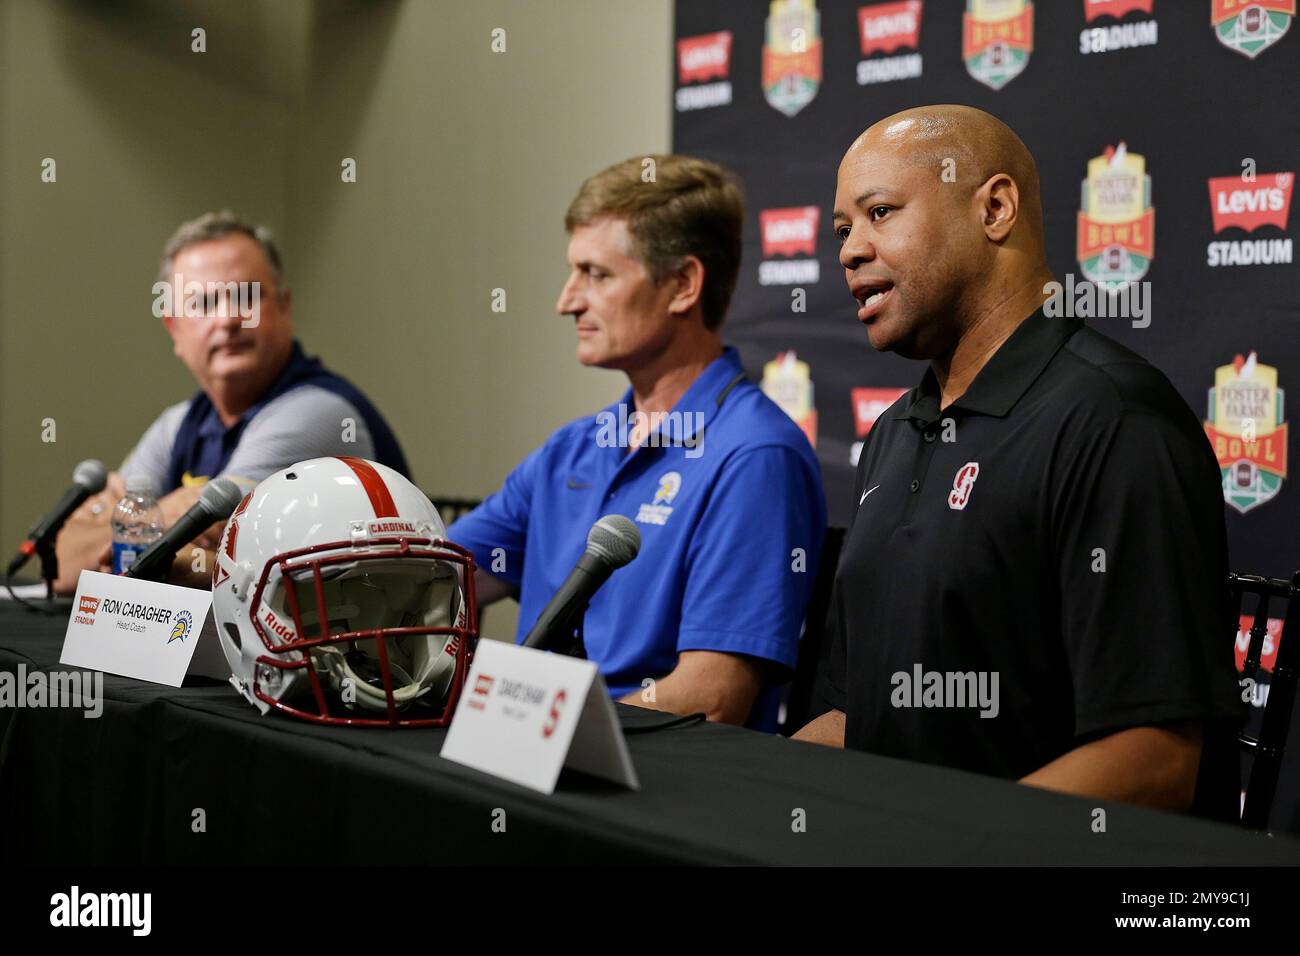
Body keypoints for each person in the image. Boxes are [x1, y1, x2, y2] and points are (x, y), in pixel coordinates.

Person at [795, 105, 1244, 817]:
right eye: (843, 230)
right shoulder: (891, 434)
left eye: (880, 213)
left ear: (996, 209)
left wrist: (943, 851)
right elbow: (854, 718)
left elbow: (1153, 762)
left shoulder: (1115, 421)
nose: (850, 251)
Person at [448, 155, 826, 728]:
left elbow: (711, 699)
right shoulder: (571, 449)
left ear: (682, 285)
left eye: (596, 274)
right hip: (534, 767)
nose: (567, 301)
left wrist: (528, 726)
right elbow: (440, 581)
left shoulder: (754, 457)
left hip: (657, 798)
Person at [54, 211, 409, 591]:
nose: (228, 319)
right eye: (204, 303)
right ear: (174, 328)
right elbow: (61, 563)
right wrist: (167, 521)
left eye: (247, 297)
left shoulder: (319, 415)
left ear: (285, 308)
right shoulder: (179, 424)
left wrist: (119, 519)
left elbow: (224, 545)